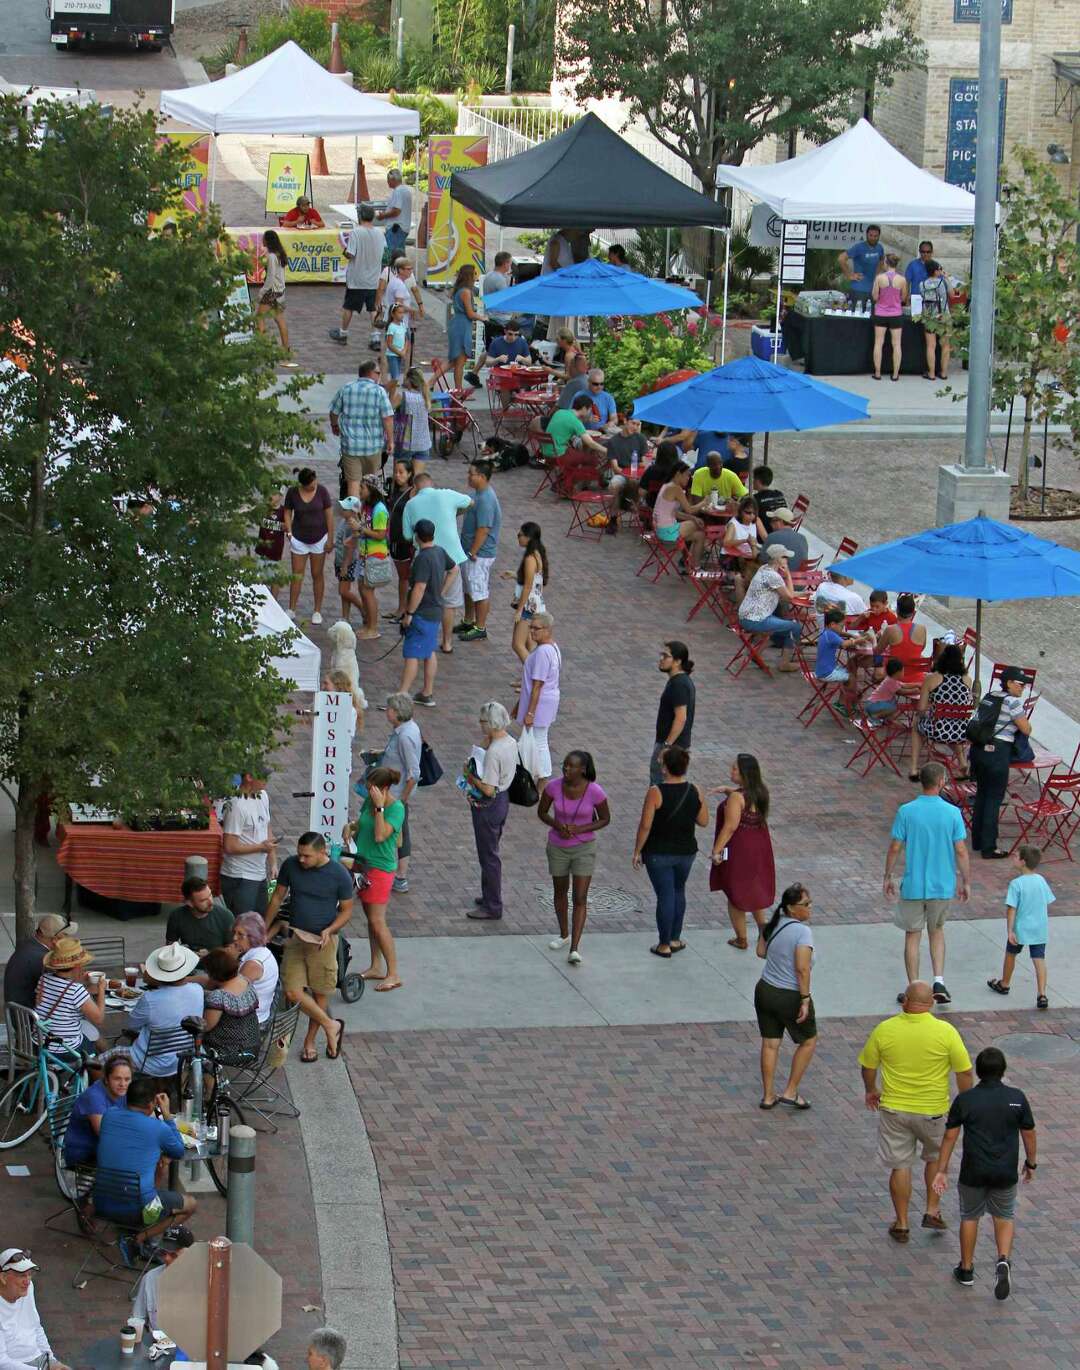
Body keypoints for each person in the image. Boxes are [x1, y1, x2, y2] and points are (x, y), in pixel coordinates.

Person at [859, 982, 973, 1244]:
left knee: (900, 1165)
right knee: (935, 1159)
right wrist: (966, 1104)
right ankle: (932, 1209)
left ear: (904, 1002)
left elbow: (868, 1065)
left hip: (895, 1110)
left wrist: (871, 1090)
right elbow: (964, 1071)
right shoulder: (945, 1032)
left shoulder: (885, 1030)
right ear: (931, 1002)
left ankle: (901, 1223)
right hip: (933, 1111)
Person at [930, 1046, 1037, 1297]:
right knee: (1004, 1216)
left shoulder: (966, 1100)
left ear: (978, 1071)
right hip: (1005, 1171)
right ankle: (1002, 1260)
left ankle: (966, 1269)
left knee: (970, 1216)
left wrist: (941, 1170)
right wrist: (1031, 1163)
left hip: (973, 1171)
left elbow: (949, 1136)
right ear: (1003, 1071)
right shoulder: (1017, 1098)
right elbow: (1029, 1134)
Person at [884, 762, 969, 1004]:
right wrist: (966, 880)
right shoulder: (953, 813)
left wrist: (888, 875)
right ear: (941, 782)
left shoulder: (906, 811)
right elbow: (961, 850)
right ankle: (939, 981)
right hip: (942, 885)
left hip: (913, 885)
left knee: (913, 934)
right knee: (937, 931)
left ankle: (914, 987)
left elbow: (895, 847)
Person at [264, 834, 351, 1063]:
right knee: (292, 991)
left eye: (307, 856)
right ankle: (331, 1026)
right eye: (299, 854)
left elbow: (346, 911)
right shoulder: (291, 865)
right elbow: (277, 898)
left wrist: (330, 929)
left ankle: (310, 1042)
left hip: (322, 943)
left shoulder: (339, 874)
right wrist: (264, 929)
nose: (301, 859)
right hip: (296, 938)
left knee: (320, 992)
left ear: (323, 852)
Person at [95, 1074, 195, 1253]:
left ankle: (135, 1233)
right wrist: (166, 1114)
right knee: (191, 1205)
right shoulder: (158, 1129)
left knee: (153, 1169)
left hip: (101, 1201)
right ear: (151, 1104)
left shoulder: (109, 1115)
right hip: (137, 1209)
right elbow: (179, 1150)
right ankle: (137, 1239)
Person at [632, 746, 709, 958]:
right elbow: (703, 821)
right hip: (686, 852)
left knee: (665, 895)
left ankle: (664, 944)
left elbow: (645, 825)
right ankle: (675, 938)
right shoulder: (695, 790)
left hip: (659, 853)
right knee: (678, 891)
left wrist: (637, 850)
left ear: (666, 768)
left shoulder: (656, 792)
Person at [538, 750, 610, 964]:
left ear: (583, 770)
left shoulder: (595, 791)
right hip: (557, 846)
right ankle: (563, 934)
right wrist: (558, 825)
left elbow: (605, 819)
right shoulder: (553, 787)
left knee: (579, 897)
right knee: (560, 892)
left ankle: (575, 948)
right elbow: (542, 812)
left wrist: (580, 829)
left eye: (571, 766)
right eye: (565, 765)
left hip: (584, 847)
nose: (566, 769)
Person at [341, 766, 404, 992]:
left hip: (380, 869)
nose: (368, 793)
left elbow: (380, 835)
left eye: (371, 789)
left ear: (384, 789)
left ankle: (393, 973)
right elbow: (364, 825)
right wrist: (351, 827)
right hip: (363, 865)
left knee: (378, 921)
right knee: (370, 920)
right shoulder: (370, 802)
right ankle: (376, 965)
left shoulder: (396, 809)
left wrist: (379, 807)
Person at [754, 884, 817, 1111]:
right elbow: (802, 969)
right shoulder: (803, 932)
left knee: (770, 1043)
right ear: (791, 908)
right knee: (808, 1040)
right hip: (789, 994)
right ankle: (791, 1091)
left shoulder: (774, 924)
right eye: (805, 905)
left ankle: (768, 1095)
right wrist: (805, 999)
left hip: (765, 990)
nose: (810, 908)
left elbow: (761, 952)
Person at [709, 754, 775, 950]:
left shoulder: (737, 798)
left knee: (734, 892)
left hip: (739, 849)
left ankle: (741, 938)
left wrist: (716, 851)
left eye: (735, 769)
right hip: (759, 846)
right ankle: (762, 927)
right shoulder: (761, 792)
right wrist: (729, 790)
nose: (731, 771)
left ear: (745, 773)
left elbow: (730, 827)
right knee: (753, 886)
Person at [401, 474, 472, 654]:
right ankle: (447, 642)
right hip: (451, 557)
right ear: (433, 484)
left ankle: (423, 637)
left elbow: (408, 536)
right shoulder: (446, 494)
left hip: (424, 558)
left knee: (421, 597)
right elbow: (470, 502)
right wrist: (453, 513)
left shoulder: (410, 504)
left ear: (415, 488)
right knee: (449, 604)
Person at [969, 666, 1033, 860]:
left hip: (979, 750)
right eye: (1021, 684)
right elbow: (1026, 729)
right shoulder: (1013, 702)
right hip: (998, 753)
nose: (1023, 688)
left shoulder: (990, 696)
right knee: (994, 799)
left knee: (981, 794)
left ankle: (978, 841)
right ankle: (989, 848)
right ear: (1009, 683)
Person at [465, 702, 519, 921]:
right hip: (503, 800)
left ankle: (492, 904)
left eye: (482, 721)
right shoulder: (509, 741)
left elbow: (487, 787)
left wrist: (471, 778)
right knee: (491, 851)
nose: (480, 725)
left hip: (489, 804)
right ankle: (489, 895)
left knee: (488, 855)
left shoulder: (494, 752)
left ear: (491, 723)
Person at [987, 845, 1054, 1008]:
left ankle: (1004, 983)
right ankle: (1042, 994)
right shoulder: (1041, 880)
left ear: (1023, 862)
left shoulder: (1016, 884)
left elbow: (1012, 908)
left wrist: (1010, 930)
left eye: (1016, 856)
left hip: (1020, 929)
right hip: (1039, 928)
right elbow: (1047, 900)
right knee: (1039, 959)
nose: (1013, 857)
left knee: (1011, 954)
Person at [127, 942, 204, 1077]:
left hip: (149, 1063)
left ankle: (113, 1097)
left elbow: (132, 1025)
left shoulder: (150, 998)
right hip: (182, 1061)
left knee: (99, 1062)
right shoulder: (198, 990)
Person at [399, 518, 453, 707]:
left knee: (412, 653)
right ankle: (427, 692)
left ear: (417, 536)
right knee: (429, 651)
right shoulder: (439, 552)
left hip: (422, 613)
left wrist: (409, 613)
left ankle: (402, 694)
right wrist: (442, 592)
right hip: (435, 610)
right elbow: (453, 569)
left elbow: (419, 588)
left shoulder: (423, 558)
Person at [329, 361, 395, 497]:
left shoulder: (346, 389)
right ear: (370, 373)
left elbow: (334, 412)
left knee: (353, 483)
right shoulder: (379, 391)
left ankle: (354, 516)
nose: (379, 376)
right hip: (373, 447)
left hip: (351, 447)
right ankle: (369, 514)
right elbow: (387, 418)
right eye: (378, 373)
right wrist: (390, 440)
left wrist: (334, 426)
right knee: (370, 483)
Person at [377, 693, 422, 893]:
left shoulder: (405, 736)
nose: (387, 712)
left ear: (396, 713)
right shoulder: (406, 729)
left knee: (398, 834)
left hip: (394, 796)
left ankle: (400, 877)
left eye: (389, 709)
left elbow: (414, 772)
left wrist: (401, 800)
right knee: (398, 833)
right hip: (392, 794)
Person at [909, 641, 973, 779]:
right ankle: (962, 762)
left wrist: (928, 710)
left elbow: (920, 708)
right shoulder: (968, 680)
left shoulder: (931, 678)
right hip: (960, 731)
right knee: (953, 721)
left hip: (938, 730)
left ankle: (914, 768)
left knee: (916, 722)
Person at [0, 1249, 72, 1370]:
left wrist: (51, 1361)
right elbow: (2, 1362)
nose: (27, 1281)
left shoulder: (27, 1288)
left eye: (30, 1274)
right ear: (3, 1277)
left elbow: (36, 1326)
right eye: (22, 1275)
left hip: (38, 1360)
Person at [455, 459, 501, 643]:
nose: (468, 477)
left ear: (481, 477)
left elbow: (484, 529)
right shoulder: (479, 495)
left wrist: (473, 551)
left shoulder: (486, 500)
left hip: (479, 555)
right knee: (468, 588)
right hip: (470, 552)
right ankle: (468, 620)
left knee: (479, 590)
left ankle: (480, 626)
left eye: (471, 473)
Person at [516, 613, 561, 793]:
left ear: (547, 630)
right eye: (531, 627)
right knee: (539, 740)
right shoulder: (552, 647)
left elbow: (537, 685)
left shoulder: (542, 652)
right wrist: (519, 704)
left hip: (541, 704)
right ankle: (539, 778)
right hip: (547, 701)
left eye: (536, 628)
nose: (532, 631)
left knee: (540, 742)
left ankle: (543, 780)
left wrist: (530, 712)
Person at [34, 936, 105, 1053]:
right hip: (63, 1048)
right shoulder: (76, 990)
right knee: (95, 1052)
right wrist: (101, 989)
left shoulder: (43, 979)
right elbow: (99, 1019)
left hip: (39, 1042)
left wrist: (80, 982)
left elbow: (60, 993)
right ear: (78, 966)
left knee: (92, 1034)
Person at [219, 774, 275, 917]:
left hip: (259, 874)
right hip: (240, 876)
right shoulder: (236, 806)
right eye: (264, 777)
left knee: (258, 923)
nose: (266, 781)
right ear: (249, 777)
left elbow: (267, 828)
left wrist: (273, 862)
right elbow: (229, 846)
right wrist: (261, 848)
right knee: (242, 925)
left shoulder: (262, 796)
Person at [737, 548, 802, 671]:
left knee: (784, 627)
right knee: (794, 627)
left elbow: (787, 593)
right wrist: (788, 576)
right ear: (778, 559)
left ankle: (756, 654)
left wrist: (804, 593)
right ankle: (785, 664)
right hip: (755, 619)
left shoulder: (764, 569)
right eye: (785, 557)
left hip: (749, 615)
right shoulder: (773, 576)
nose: (787, 560)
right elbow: (789, 596)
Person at [284, 467, 334, 624]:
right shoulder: (292, 493)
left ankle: (317, 610)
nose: (314, 485)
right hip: (298, 538)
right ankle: (292, 608)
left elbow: (329, 516)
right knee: (296, 574)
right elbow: (287, 512)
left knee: (317, 574)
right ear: (303, 485)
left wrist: (330, 539)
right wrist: (290, 533)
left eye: (315, 482)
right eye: (311, 484)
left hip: (319, 538)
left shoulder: (322, 492)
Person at [64, 1052, 131, 1166]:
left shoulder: (122, 1092)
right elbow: (104, 1135)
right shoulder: (95, 1097)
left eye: (127, 1079)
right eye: (117, 1079)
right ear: (106, 1079)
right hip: (84, 1154)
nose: (123, 1084)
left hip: (105, 1148)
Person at [330, 204, 384, 346]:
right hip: (374, 278)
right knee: (373, 308)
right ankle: (376, 337)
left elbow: (350, 254)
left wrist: (344, 250)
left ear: (360, 216)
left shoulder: (356, 233)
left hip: (357, 278)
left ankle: (343, 333)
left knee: (349, 307)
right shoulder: (380, 233)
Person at [131, 1224, 194, 1334]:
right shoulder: (150, 1278)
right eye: (163, 1252)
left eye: (173, 1255)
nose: (166, 1258)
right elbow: (137, 1318)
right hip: (157, 1346)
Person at [201, 945, 260, 1062]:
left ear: (214, 974)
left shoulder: (219, 997)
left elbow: (205, 1026)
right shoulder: (245, 981)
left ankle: (208, 1077)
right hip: (252, 1046)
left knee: (188, 1042)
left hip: (230, 1052)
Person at [3, 913, 72, 1010]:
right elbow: (60, 995)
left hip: (17, 1013)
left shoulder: (30, 944)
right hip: (29, 1019)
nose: (68, 939)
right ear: (55, 938)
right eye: (66, 935)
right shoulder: (43, 959)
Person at [651, 641, 695, 784]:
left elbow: (681, 718)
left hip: (673, 746)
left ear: (677, 661)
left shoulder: (679, 684)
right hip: (675, 745)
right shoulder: (680, 681)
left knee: (660, 785)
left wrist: (667, 747)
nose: (661, 659)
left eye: (666, 656)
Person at [504, 522, 548, 664]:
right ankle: (528, 677)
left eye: (520, 535)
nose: (518, 538)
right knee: (530, 645)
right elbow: (535, 580)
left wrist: (519, 610)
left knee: (517, 644)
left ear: (528, 537)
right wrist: (515, 575)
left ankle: (532, 676)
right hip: (535, 604)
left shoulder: (530, 558)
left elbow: (528, 586)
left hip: (528, 607)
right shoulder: (538, 553)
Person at [354, 476, 391, 641]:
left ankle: (373, 628)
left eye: (362, 488)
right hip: (364, 554)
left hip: (375, 555)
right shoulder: (365, 506)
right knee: (362, 589)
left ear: (371, 489)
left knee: (368, 592)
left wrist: (360, 528)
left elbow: (381, 534)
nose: (359, 491)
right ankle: (367, 624)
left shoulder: (380, 509)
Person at [230, 912, 280, 1025]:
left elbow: (229, 995)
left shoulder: (253, 965)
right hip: (253, 1014)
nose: (234, 938)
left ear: (253, 936)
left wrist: (229, 961)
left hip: (250, 1024)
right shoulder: (263, 952)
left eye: (240, 935)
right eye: (234, 933)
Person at [654, 462, 707, 568]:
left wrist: (693, 518)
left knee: (700, 536)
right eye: (687, 475)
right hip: (666, 531)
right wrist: (705, 502)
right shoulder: (675, 489)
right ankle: (694, 555)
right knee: (700, 524)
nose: (689, 478)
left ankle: (695, 567)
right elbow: (690, 510)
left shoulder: (666, 486)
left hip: (660, 529)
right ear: (678, 474)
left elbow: (674, 512)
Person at [166, 877, 235, 954]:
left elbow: (233, 950)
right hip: (189, 960)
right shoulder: (176, 916)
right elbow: (170, 946)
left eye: (210, 895)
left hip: (218, 962)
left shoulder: (225, 916)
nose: (211, 902)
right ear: (190, 903)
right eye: (203, 900)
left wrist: (211, 954)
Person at [385, 458, 416, 621]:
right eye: (396, 472)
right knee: (402, 577)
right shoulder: (393, 489)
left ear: (410, 473)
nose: (398, 475)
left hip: (405, 542)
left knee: (405, 577)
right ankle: (401, 607)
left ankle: (404, 610)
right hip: (394, 539)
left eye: (401, 472)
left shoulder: (412, 492)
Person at [871, 253, 909, 381]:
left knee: (878, 343)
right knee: (897, 344)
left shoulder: (879, 278)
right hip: (896, 314)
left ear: (886, 263)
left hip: (881, 313)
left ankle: (877, 373)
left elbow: (875, 296)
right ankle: (895, 374)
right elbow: (904, 298)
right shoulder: (902, 280)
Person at [254, 229, 292, 360]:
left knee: (259, 317)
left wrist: (261, 292)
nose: (262, 240)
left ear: (268, 241)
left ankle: (261, 347)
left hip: (271, 292)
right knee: (280, 320)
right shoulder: (280, 254)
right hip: (280, 292)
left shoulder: (271, 257)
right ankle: (286, 348)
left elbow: (270, 278)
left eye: (264, 238)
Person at [447, 264, 483, 391]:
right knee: (459, 361)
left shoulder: (459, 289)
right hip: (462, 326)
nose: (476, 276)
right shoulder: (466, 292)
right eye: (474, 273)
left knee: (455, 360)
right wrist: (483, 318)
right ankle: (458, 390)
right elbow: (470, 313)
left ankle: (433, 381)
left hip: (458, 324)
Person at [880, 592, 928, 684]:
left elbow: (877, 651)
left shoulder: (890, 629)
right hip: (916, 677)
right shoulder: (922, 629)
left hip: (893, 675)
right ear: (913, 612)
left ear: (897, 611)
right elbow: (921, 649)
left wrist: (873, 639)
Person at [722, 494, 768, 591]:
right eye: (748, 513)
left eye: (754, 513)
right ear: (741, 512)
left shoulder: (756, 521)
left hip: (749, 555)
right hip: (733, 558)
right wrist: (745, 540)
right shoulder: (734, 524)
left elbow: (765, 538)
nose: (751, 516)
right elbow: (726, 542)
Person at [546, 392, 607, 460]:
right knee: (590, 457)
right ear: (584, 408)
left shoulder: (560, 412)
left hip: (546, 452)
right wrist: (607, 451)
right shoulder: (575, 422)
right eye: (590, 409)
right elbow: (590, 443)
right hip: (558, 455)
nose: (590, 412)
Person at [333, 495, 365, 624]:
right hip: (340, 559)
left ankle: (363, 609)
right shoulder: (344, 521)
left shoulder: (351, 525)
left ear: (353, 511)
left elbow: (351, 547)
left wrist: (345, 566)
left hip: (348, 562)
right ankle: (345, 617)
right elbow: (341, 541)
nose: (342, 510)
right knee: (344, 591)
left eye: (345, 508)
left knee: (343, 591)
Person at [920, 258, 952, 381]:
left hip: (929, 317)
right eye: (940, 269)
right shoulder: (942, 283)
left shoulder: (922, 284)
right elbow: (952, 294)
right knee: (945, 345)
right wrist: (947, 278)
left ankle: (931, 373)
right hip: (944, 316)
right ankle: (944, 373)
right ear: (936, 271)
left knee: (930, 346)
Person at [838, 224, 884, 305]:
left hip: (873, 289)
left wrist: (877, 275)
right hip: (858, 289)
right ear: (866, 235)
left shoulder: (880, 248)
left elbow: (881, 261)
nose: (873, 238)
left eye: (876, 236)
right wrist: (849, 275)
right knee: (859, 315)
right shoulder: (859, 247)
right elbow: (841, 258)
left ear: (879, 236)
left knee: (872, 315)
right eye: (871, 235)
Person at [398, 368, 432, 473]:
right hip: (423, 443)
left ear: (409, 380)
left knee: (400, 476)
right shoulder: (425, 397)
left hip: (407, 443)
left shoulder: (404, 396)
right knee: (416, 478)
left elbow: (390, 412)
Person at [255, 489, 286, 599]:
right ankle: (257, 597)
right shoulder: (264, 509)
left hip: (275, 550)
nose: (271, 496)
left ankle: (274, 601)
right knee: (258, 576)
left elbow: (288, 527)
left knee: (274, 578)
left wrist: (286, 526)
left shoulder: (284, 512)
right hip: (261, 549)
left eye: (274, 494)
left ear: (280, 496)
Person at [480, 251, 514, 351]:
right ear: (505, 263)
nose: (510, 267)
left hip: (491, 316)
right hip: (500, 319)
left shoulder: (489, 275)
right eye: (510, 264)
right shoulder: (499, 279)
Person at [376, 167, 412, 258]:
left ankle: (391, 271)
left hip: (396, 228)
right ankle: (399, 271)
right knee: (400, 255)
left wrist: (383, 215)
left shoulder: (398, 191)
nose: (387, 182)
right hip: (402, 228)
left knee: (392, 256)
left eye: (388, 180)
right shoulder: (406, 190)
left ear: (393, 179)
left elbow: (397, 211)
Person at [757, 506, 808, 572]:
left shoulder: (772, 536)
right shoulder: (803, 538)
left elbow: (762, 560)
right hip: (798, 578)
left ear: (779, 521)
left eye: (772, 521)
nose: (770, 524)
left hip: (780, 577)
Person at [750, 465, 787, 530]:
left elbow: (750, 519)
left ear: (758, 481)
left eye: (754, 479)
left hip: (764, 534)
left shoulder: (755, 499)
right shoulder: (779, 494)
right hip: (782, 530)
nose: (752, 481)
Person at [383, 300, 408, 382]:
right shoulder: (391, 327)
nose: (402, 315)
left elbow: (406, 339)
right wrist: (399, 352)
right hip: (392, 354)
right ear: (393, 314)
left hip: (400, 353)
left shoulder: (403, 325)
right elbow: (389, 344)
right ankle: (392, 391)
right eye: (399, 313)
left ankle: (393, 388)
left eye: (403, 313)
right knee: (395, 376)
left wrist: (404, 350)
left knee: (397, 374)